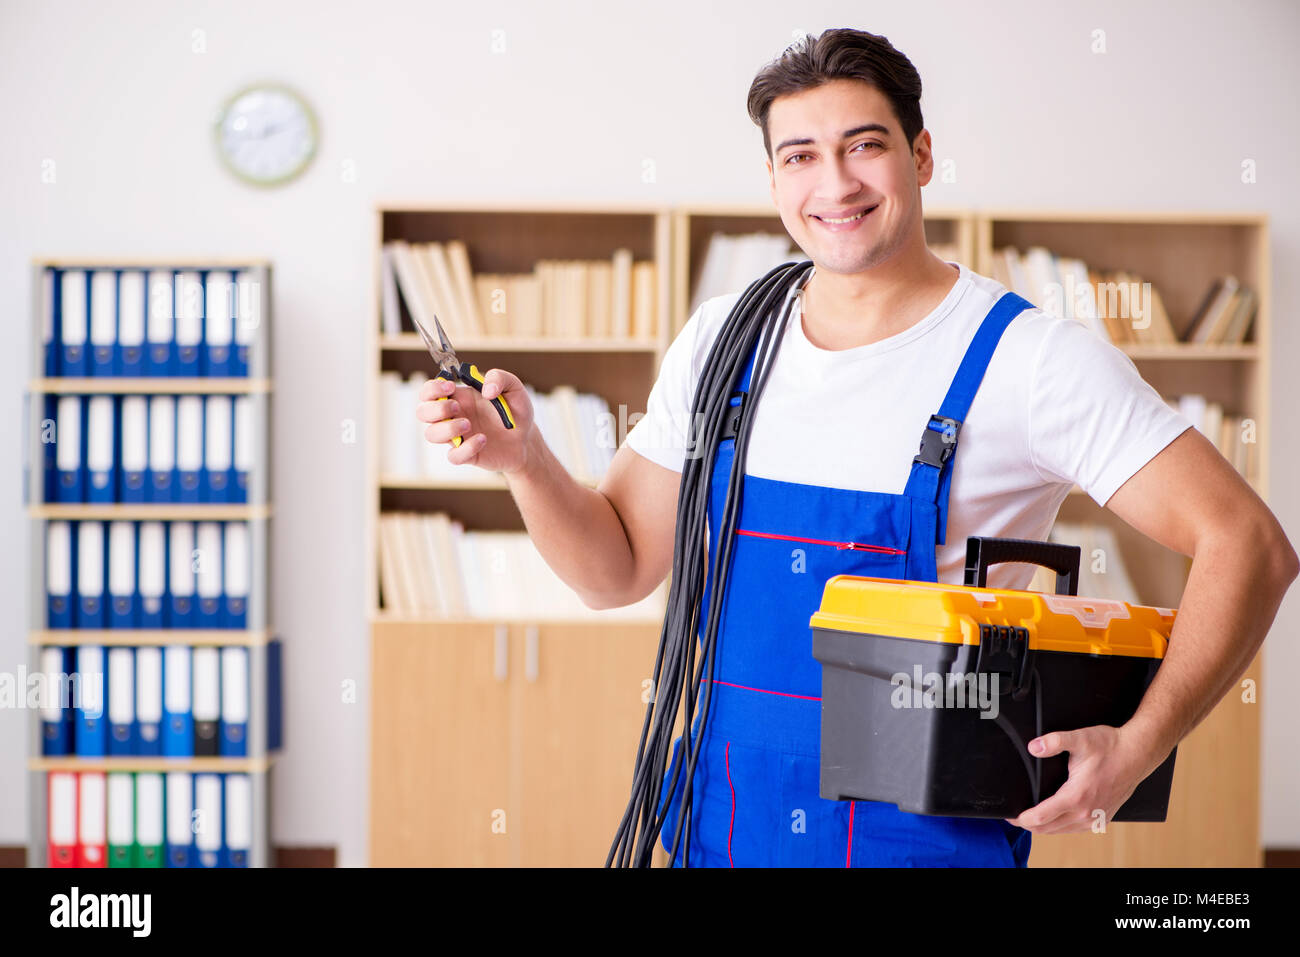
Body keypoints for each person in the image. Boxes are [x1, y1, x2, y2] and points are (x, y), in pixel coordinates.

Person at [415, 27, 1297, 867]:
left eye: (864, 145)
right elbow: (616, 571)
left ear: (920, 154)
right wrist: (523, 462)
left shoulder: (1032, 362)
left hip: (922, 839)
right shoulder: (726, 340)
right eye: (800, 155)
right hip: (722, 818)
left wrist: (1143, 744)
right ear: (772, 180)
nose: (833, 183)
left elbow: (1248, 543)